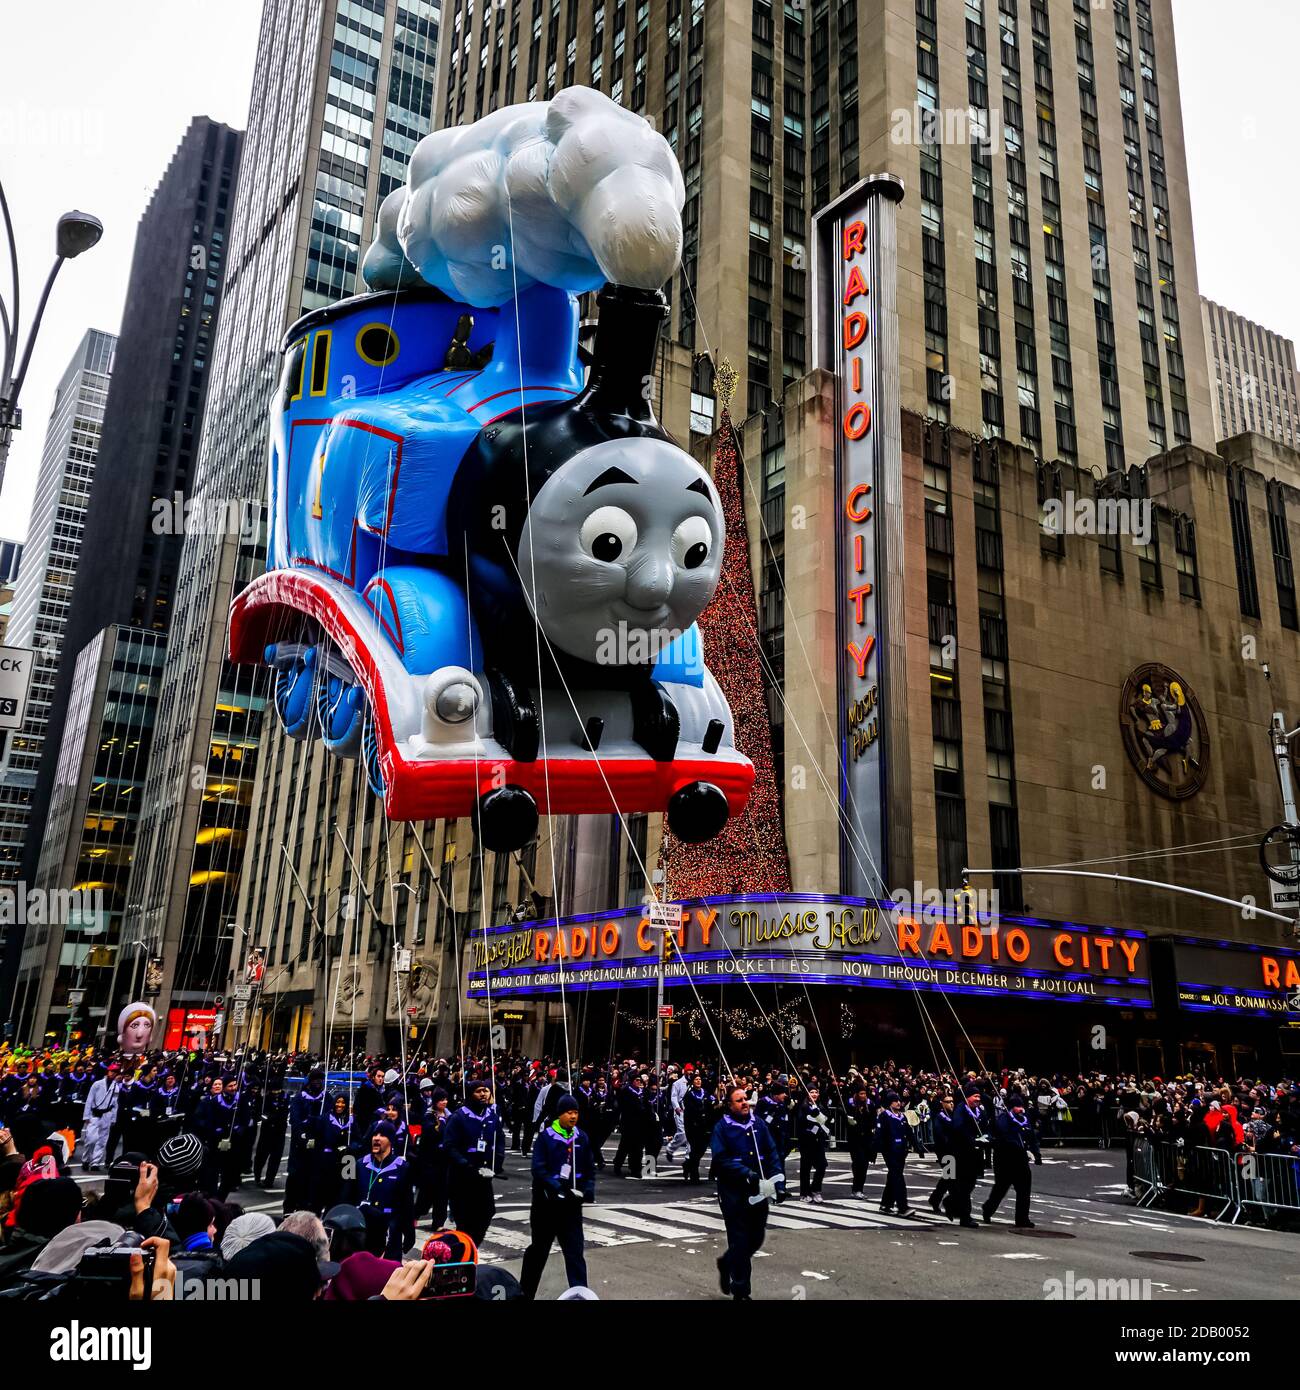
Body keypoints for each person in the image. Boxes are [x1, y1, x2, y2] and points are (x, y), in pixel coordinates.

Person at [710, 1084, 785, 1301]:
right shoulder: (722, 1128)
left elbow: (772, 1152)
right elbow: (721, 1159)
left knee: (757, 1237)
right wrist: (746, 1173)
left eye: (745, 1099)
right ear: (729, 1105)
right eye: (739, 1100)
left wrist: (778, 1181)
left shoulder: (758, 1124)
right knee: (740, 1240)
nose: (745, 1103)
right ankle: (741, 1291)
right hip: (733, 1193)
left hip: (758, 1191)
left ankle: (727, 1262)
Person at [519, 1094, 596, 1299]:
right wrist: (558, 1189)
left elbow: (589, 1168)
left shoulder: (581, 1137)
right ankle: (525, 1294)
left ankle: (580, 1294)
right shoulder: (546, 1137)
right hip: (546, 1207)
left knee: (575, 1254)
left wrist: (587, 1190)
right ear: (560, 1114)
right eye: (569, 1112)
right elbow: (538, 1169)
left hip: (571, 1208)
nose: (573, 1116)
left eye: (576, 1112)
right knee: (538, 1252)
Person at [443, 1078, 505, 1247]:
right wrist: (466, 1164)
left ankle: (472, 1247)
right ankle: (463, 1253)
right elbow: (449, 1146)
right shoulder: (458, 1117)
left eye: (485, 1091)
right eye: (479, 1091)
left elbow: (499, 1139)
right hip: (462, 1179)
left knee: (487, 1213)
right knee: (465, 1222)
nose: (483, 1094)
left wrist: (497, 1161)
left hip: (483, 1178)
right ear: (471, 1094)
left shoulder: (492, 1116)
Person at [350, 1121, 414, 1259]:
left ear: (391, 1141)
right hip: (363, 1231)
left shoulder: (402, 1167)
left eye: (382, 1135)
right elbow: (348, 1196)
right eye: (375, 1135)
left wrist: (409, 1232)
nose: (376, 1138)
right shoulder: (360, 1164)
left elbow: (407, 1203)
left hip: (390, 1232)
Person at [982, 1092, 1039, 1229]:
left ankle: (1022, 1218)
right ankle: (988, 1208)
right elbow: (1003, 1135)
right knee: (1000, 1188)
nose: (1021, 1109)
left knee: (1024, 1190)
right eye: (1018, 1107)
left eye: (1022, 1106)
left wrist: (1036, 1153)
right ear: (1011, 1108)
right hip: (1005, 1159)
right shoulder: (1003, 1119)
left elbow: (1031, 1137)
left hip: (1021, 1159)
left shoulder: (1024, 1119)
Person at [876, 1090, 923, 1215]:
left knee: (893, 1176)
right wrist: (875, 1149)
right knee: (898, 1177)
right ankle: (903, 1206)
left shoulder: (902, 1116)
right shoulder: (884, 1116)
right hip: (889, 1150)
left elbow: (909, 1133)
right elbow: (879, 1134)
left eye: (899, 1100)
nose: (898, 1103)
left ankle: (886, 1204)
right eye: (895, 1101)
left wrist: (917, 1147)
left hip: (901, 1150)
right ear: (890, 1103)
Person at [80, 1064, 122, 1172]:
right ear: (108, 1071)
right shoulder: (97, 1084)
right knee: (91, 1139)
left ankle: (95, 1162)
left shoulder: (116, 1087)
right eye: (111, 1071)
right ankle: (86, 1159)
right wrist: (86, 1115)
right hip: (95, 1113)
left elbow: (115, 1104)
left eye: (115, 1072)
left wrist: (113, 1118)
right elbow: (89, 1099)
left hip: (107, 1115)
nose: (113, 1074)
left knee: (102, 1140)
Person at [796, 1086, 832, 1202]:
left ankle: (816, 1189)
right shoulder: (803, 1106)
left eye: (816, 1092)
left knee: (822, 1165)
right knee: (805, 1168)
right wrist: (812, 1115)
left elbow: (827, 1119)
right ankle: (804, 1193)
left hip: (818, 1141)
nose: (814, 1094)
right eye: (812, 1092)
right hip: (806, 1141)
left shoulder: (821, 1106)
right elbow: (801, 1120)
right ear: (807, 1094)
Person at [843, 1082, 876, 1199]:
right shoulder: (850, 1103)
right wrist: (848, 1119)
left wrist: (873, 1129)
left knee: (864, 1164)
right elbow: (842, 1111)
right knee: (858, 1162)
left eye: (864, 1093)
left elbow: (873, 1118)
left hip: (866, 1137)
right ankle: (856, 1188)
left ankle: (859, 1188)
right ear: (857, 1094)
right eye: (861, 1093)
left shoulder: (870, 1104)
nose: (863, 1096)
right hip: (854, 1138)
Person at [682, 1072, 714, 1184]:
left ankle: (687, 1165)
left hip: (704, 1126)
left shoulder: (705, 1093)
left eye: (700, 1079)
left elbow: (712, 1102)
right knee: (695, 1149)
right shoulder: (689, 1095)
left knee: (702, 1148)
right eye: (696, 1079)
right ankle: (694, 1175)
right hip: (693, 1126)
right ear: (692, 1081)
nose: (698, 1081)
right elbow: (690, 1111)